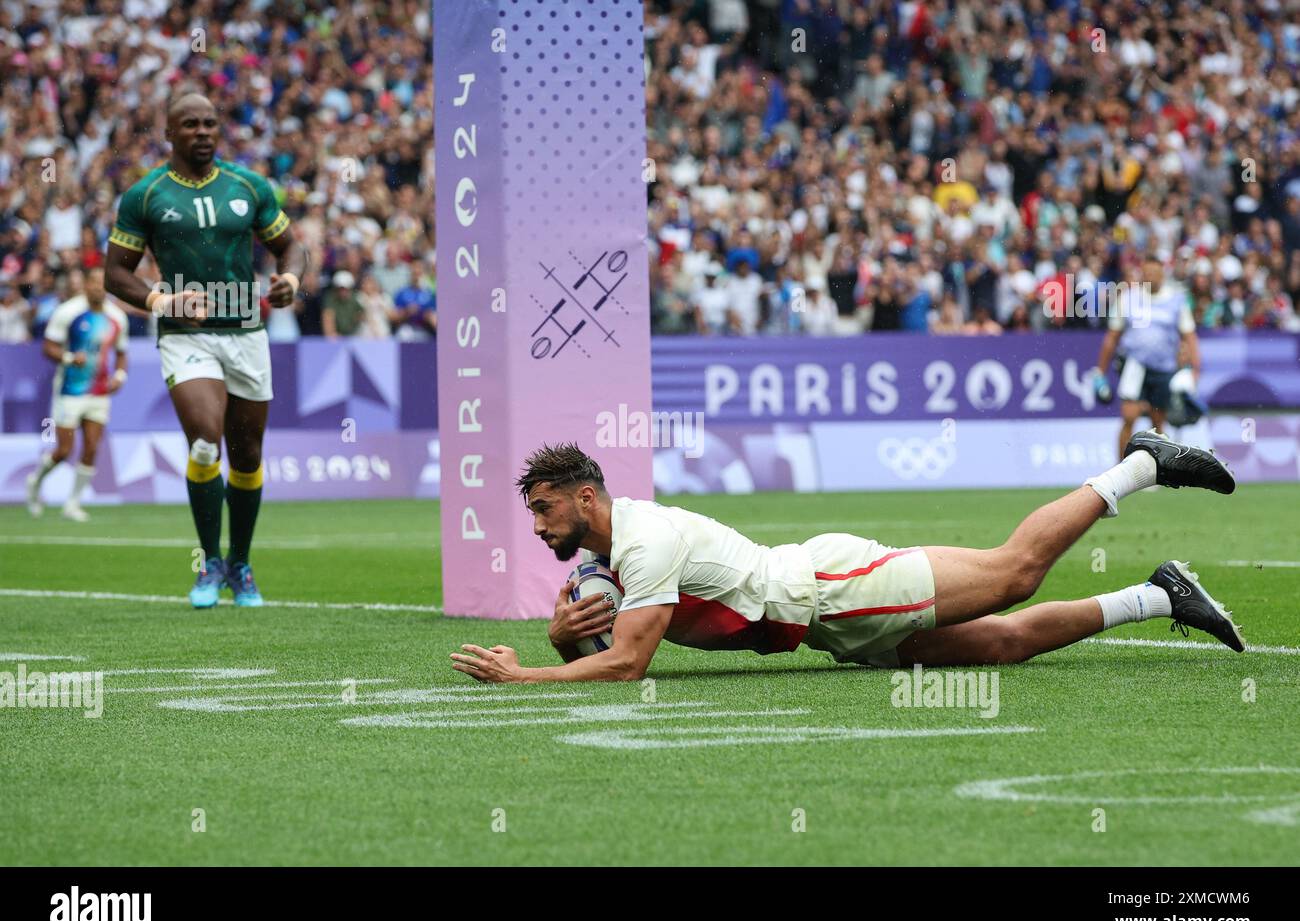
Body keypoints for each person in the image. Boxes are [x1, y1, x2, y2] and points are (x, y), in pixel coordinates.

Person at [450, 439, 1242, 684]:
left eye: (544, 508)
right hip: (824, 628)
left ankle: (1140, 466)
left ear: (586, 498)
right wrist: (560, 644)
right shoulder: (607, 561)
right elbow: (613, 657)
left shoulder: (642, 542)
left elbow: (627, 667)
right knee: (1004, 643)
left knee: (1013, 574)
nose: (538, 526)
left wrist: (526, 677)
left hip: (834, 595)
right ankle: (1161, 596)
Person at [104, 91, 305, 608]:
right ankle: (208, 561)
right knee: (203, 440)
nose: (202, 132)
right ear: (170, 132)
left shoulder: (249, 186)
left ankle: (239, 563)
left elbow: (291, 246)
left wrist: (289, 278)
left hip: (246, 332)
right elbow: (115, 275)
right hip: (185, 336)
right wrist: (162, 301)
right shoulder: (145, 195)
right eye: (190, 124)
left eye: (210, 124)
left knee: (247, 454)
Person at [26, 267, 128, 521]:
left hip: (99, 391)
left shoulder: (117, 317)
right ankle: (35, 481)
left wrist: (119, 376)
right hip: (70, 390)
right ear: (85, 285)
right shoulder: (68, 312)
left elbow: (123, 352)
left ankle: (72, 504)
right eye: (94, 282)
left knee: (92, 447)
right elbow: (48, 348)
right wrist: (70, 357)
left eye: (103, 283)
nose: (98, 287)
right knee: (64, 450)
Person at [1093, 256, 1200, 461]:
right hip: (1135, 365)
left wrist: (1195, 369)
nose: (1150, 277)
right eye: (1147, 273)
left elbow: (1189, 337)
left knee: (1158, 422)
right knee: (1129, 416)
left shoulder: (1177, 300)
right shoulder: (1128, 298)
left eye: (1154, 273)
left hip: (1164, 368)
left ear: (1162, 275)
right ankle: (1119, 470)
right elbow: (1112, 337)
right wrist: (1100, 370)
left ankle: (1157, 472)